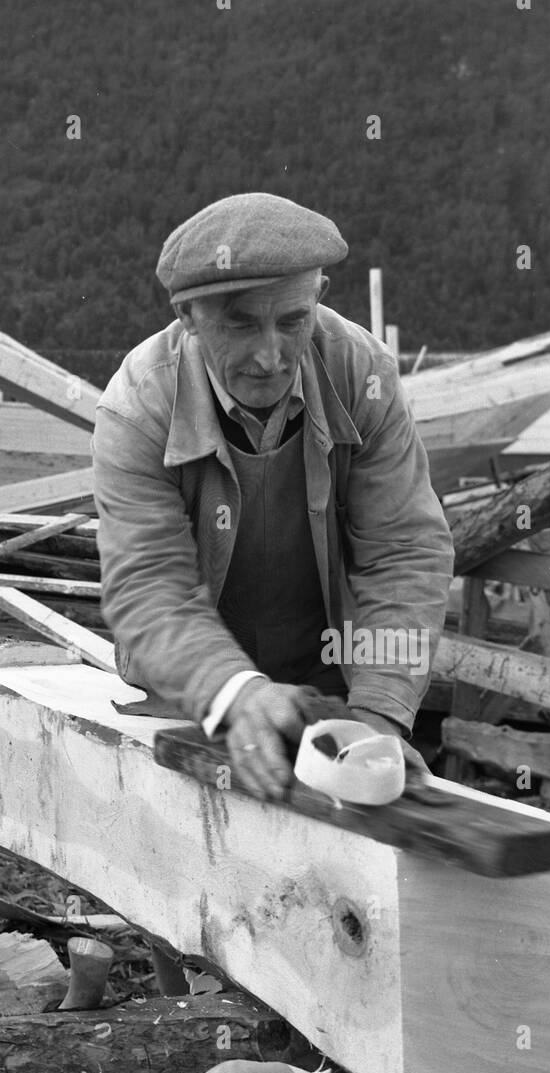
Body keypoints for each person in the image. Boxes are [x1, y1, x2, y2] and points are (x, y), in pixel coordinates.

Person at [92, 192, 454, 799]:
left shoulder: (362, 374)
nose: (270, 356)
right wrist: (236, 692)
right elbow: (149, 583)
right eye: (239, 325)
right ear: (188, 315)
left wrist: (381, 710)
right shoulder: (137, 407)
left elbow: (402, 549)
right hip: (189, 694)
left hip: (321, 688)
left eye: (292, 321)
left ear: (320, 296)